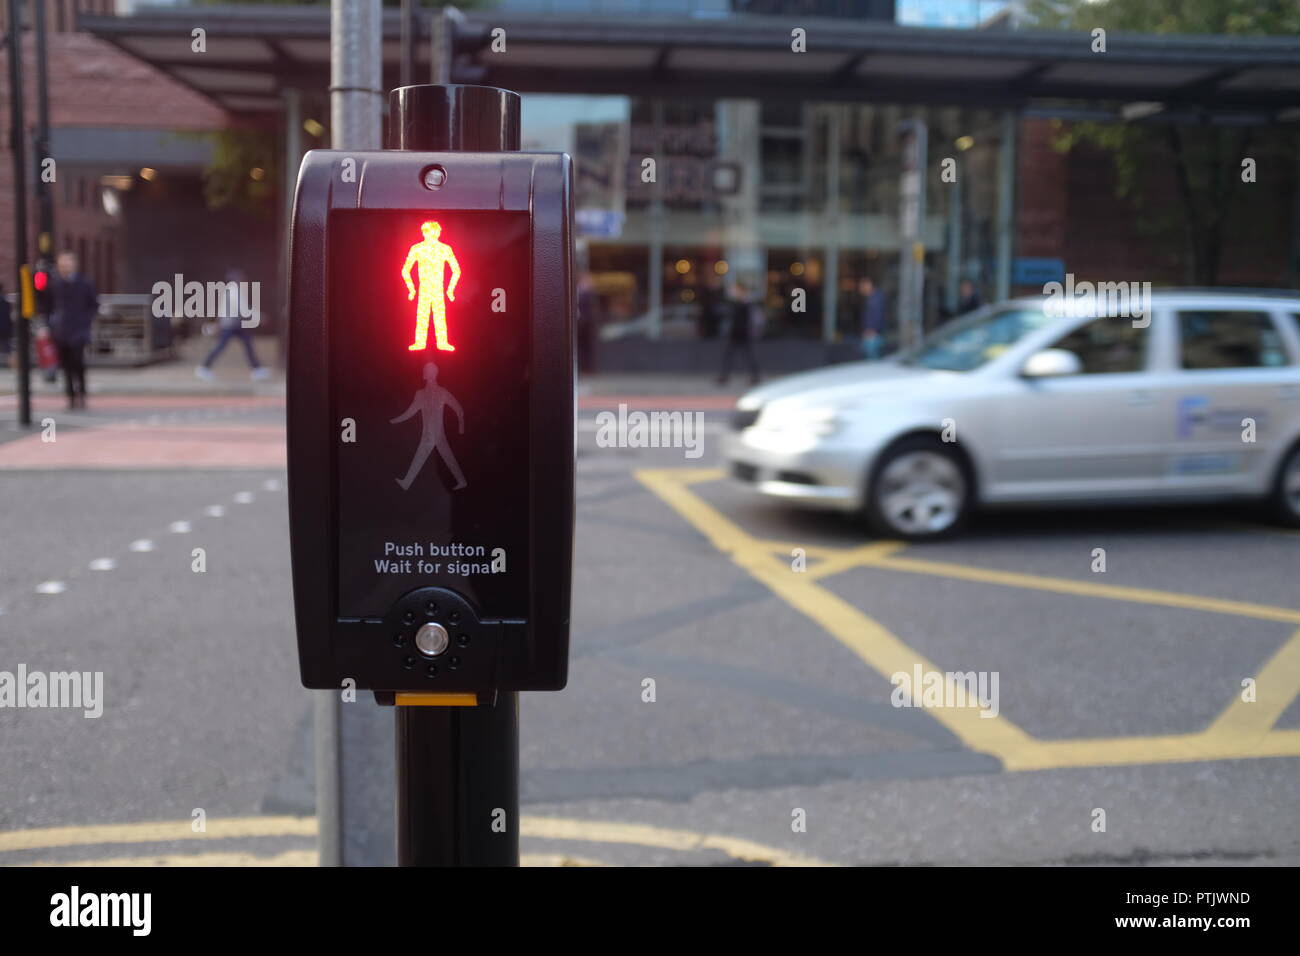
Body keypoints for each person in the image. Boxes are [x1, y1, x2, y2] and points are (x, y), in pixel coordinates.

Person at [196, 269, 270, 380]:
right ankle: (204, 367)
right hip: (231, 324)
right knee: (223, 346)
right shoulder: (234, 291)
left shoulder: (231, 290)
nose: (243, 280)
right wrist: (259, 316)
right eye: (241, 279)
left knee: (246, 344)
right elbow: (243, 309)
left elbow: (223, 309)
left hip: (234, 323)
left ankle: (257, 369)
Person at [49, 251, 98, 409]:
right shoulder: (55, 284)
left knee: (78, 361)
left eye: (68, 262)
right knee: (66, 365)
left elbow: (93, 304)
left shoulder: (85, 283)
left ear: (74, 264)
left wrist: (86, 321)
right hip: (61, 330)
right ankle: (70, 396)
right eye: (62, 263)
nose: (65, 266)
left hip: (79, 329)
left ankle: (81, 393)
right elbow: (47, 304)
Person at [717, 280, 762, 386]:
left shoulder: (747, 303)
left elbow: (753, 319)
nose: (734, 292)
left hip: (744, 333)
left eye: (736, 290)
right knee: (730, 356)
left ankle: (754, 376)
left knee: (747, 355)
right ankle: (724, 376)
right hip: (735, 333)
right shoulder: (735, 303)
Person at [858, 276, 886, 360]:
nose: (860, 289)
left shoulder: (875, 299)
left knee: (873, 361)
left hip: (872, 335)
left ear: (868, 285)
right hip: (872, 334)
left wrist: (871, 330)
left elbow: (877, 315)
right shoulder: (873, 298)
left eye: (862, 286)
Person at [0, 284, 11, 367]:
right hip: (5, 327)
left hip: (4, 327)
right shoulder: (6, 301)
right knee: (6, 346)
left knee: (5, 345)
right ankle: (7, 362)